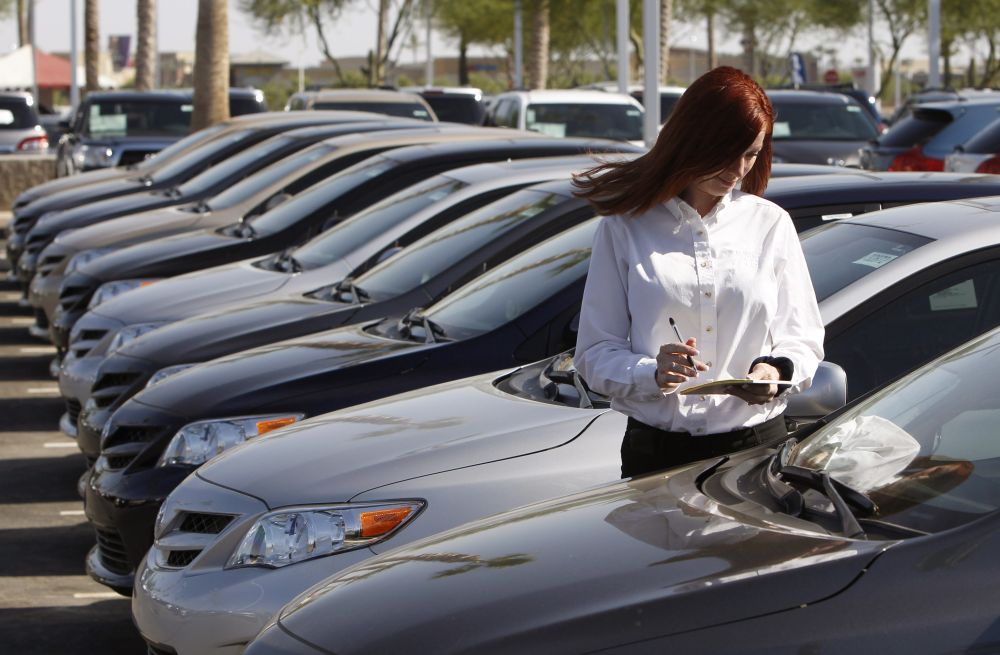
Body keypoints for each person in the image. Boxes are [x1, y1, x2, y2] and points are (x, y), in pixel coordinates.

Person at [572, 66, 824, 479]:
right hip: (658, 454)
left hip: (755, 451)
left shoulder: (770, 223)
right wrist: (651, 372)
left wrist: (774, 372)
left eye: (752, 154)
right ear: (693, 139)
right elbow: (594, 354)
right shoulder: (624, 227)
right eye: (728, 152)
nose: (739, 168)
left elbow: (805, 338)